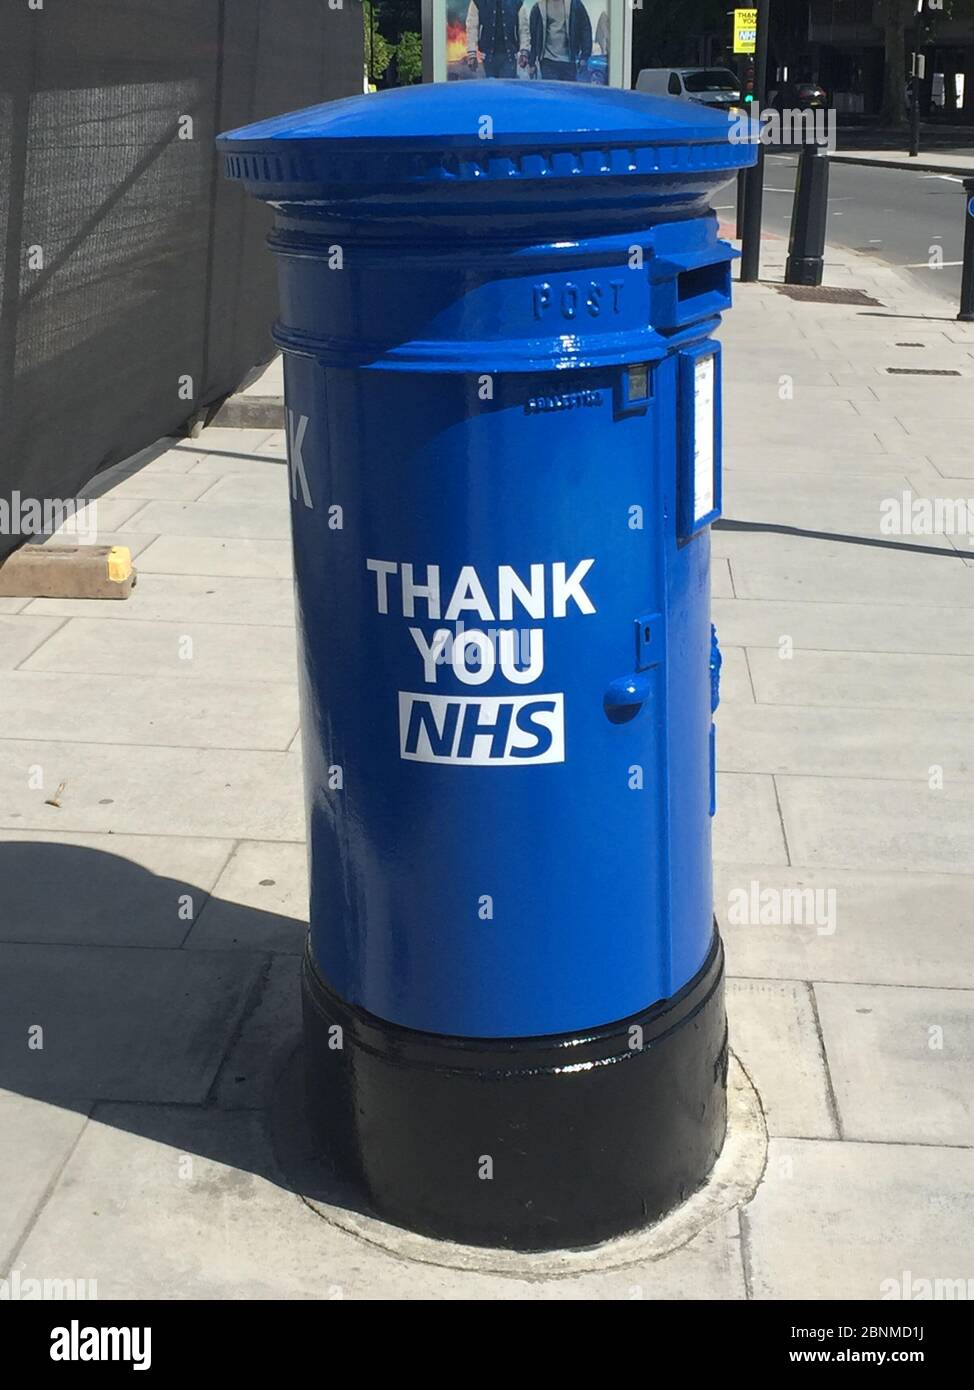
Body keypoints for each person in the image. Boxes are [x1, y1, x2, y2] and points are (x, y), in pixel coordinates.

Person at [527, 0, 592, 82]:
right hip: (548, 61)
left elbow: (585, 29)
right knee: (551, 93)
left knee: (568, 93)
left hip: (569, 60)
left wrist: (585, 56)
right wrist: (531, 62)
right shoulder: (538, 7)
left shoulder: (575, 4)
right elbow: (534, 37)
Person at [465, 0, 531, 79]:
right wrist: (472, 53)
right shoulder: (477, 2)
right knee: (489, 89)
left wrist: (524, 51)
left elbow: (523, 29)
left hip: (509, 57)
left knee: (507, 88)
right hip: (486, 57)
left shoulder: (517, 2)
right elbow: (472, 27)